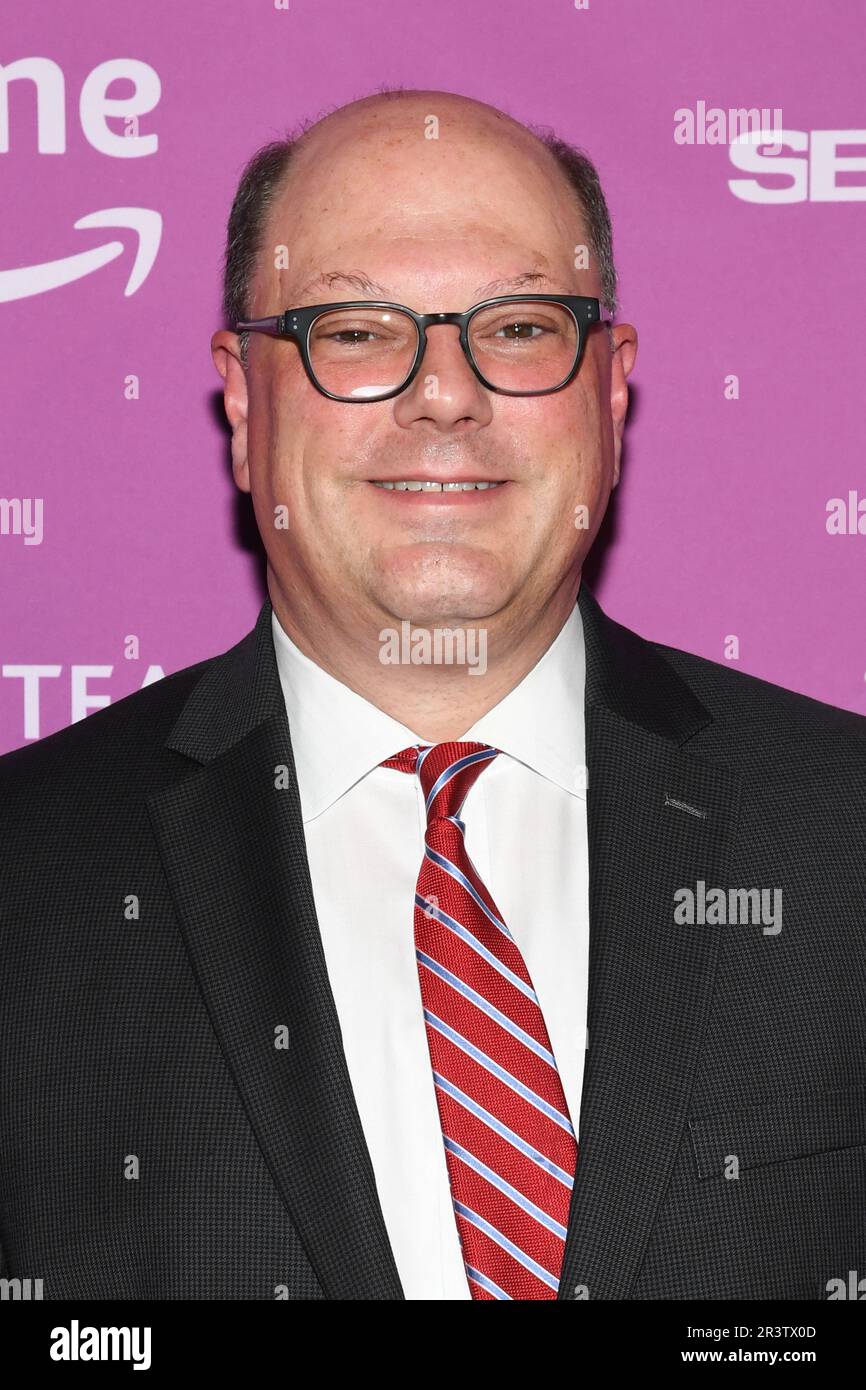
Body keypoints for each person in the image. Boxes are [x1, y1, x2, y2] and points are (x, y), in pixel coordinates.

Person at [1, 89, 864, 1302]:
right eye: (353, 331)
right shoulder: (24, 881)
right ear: (243, 402)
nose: (443, 393)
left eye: (516, 327)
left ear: (609, 392)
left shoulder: (845, 841)